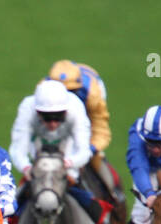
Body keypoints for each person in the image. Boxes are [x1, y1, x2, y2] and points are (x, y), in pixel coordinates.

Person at [9, 80, 113, 224]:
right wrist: (27, 168)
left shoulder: (76, 107)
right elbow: (18, 149)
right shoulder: (27, 108)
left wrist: (68, 163)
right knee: (17, 199)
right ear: (37, 112)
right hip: (38, 154)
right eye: (46, 117)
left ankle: (100, 218)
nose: (52, 123)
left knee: (73, 181)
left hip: (67, 151)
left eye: (58, 117)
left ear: (65, 112)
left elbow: (83, 150)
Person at [47, 59, 123, 202]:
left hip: (86, 125)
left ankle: (114, 195)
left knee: (95, 160)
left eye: (72, 91)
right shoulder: (44, 93)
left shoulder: (93, 95)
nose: (67, 97)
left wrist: (89, 149)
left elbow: (101, 129)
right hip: (56, 129)